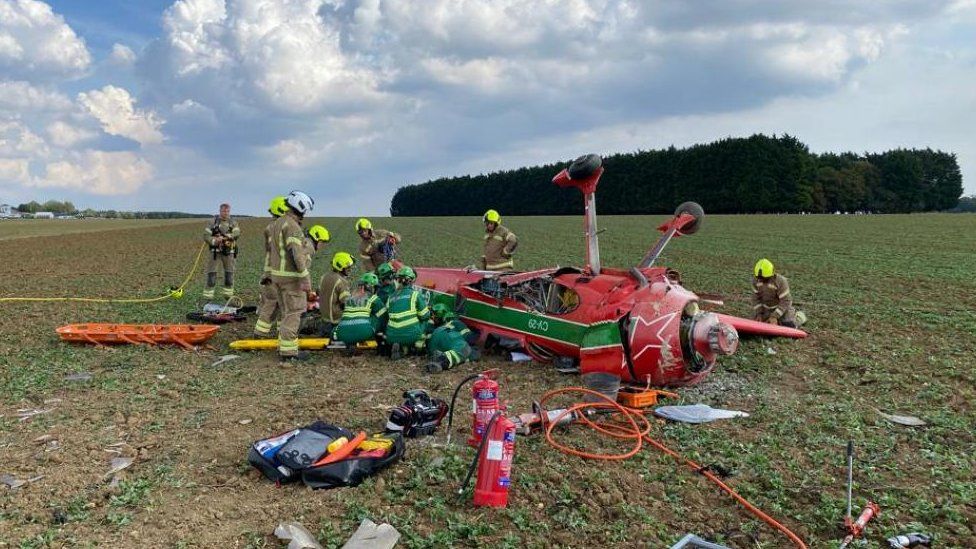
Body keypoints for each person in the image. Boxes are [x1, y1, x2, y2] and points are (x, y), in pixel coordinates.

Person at [267, 190, 315, 361]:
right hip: (290, 277)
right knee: (294, 313)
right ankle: (288, 353)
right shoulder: (293, 226)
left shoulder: (278, 222)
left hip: (277, 276)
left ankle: (284, 348)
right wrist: (305, 278)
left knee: (286, 312)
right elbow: (297, 255)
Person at [254, 196, 288, 338]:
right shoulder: (275, 228)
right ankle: (259, 333)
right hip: (273, 272)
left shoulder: (274, 226)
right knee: (273, 302)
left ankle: (282, 331)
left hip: (274, 271)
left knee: (282, 303)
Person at [385, 266, 429, 359]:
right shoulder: (415, 294)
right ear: (411, 280)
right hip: (411, 334)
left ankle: (400, 348)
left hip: (391, 336)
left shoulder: (391, 297)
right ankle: (417, 348)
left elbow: (388, 314)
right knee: (427, 322)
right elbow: (425, 316)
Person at [334, 273, 388, 345]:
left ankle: (342, 339)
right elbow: (384, 317)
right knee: (378, 316)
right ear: (369, 287)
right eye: (375, 287)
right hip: (364, 333)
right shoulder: (373, 298)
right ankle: (380, 339)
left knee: (337, 328)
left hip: (342, 334)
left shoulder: (349, 298)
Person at [202, 203, 241, 300]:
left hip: (229, 252)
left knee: (229, 273)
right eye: (224, 211)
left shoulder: (233, 222)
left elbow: (237, 233)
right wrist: (215, 240)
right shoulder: (212, 222)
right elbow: (206, 236)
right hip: (215, 252)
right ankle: (208, 297)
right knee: (212, 273)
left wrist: (228, 236)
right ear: (220, 211)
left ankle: (228, 296)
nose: (226, 213)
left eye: (228, 211)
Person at [752, 259, 806, 328]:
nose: (761, 280)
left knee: (789, 325)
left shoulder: (781, 281)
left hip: (782, 309)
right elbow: (755, 298)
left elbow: (786, 301)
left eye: (764, 278)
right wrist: (759, 313)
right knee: (757, 323)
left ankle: (799, 317)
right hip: (766, 309)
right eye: (759, 278)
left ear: (771, 275)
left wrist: (774, 316)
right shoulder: (755, 281)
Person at [424, 303, 478, 373]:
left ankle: (441, 356)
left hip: (433, 343)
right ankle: (440, 362)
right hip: (445, 334)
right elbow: (469, 339)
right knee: (465, 349)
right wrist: (476, 333)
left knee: (464, 354)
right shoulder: (456, 322)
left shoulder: (433, 326)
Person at [297, 225, 331, 335]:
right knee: (298, 306)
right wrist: (308, 291)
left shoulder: (302, 243)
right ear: (316, 239)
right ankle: (295, 330)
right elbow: (303, 271)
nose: (322, 246)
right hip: (293, 282)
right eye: (322, 242)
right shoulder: (308, 248)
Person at [318, 251, 354, 337]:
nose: (350, 269)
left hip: (324, 319)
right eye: (348, 267)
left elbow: (318, 292)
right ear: (341, 267)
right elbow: (346, 303)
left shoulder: (324, 276)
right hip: (336, 321)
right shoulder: (341, 281)